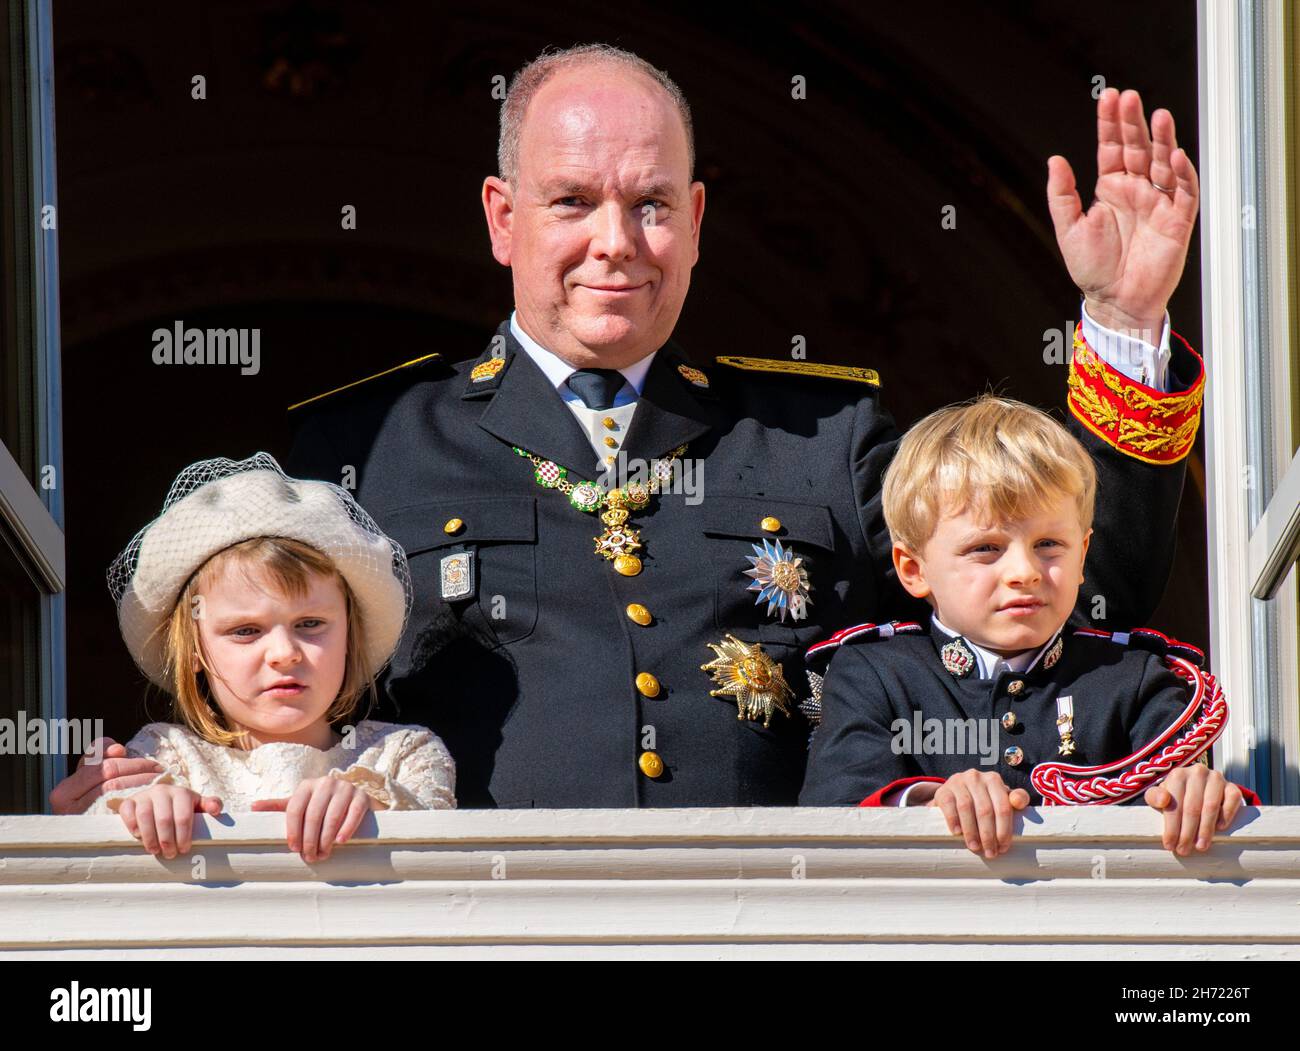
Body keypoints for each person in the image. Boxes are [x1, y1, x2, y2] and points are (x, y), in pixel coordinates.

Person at [54, 44, 1211, 812]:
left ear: (697, 220)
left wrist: (1121, 318)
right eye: (573, 201)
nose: (617, 239)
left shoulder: (825, 435)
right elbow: (273, 707)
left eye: (652, 203)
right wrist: (145, 792)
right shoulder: (365, 445)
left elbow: (1083, 600)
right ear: (503, 219)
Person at [798, 396, 1257, 856]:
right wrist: (926, 800)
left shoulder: (1138, 680)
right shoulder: (871, 674)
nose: (1025, 571)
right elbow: (833, 817)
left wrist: (1198, 797)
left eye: (1049, 544)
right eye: (986, 548)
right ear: (913, 569)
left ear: (1083, 555)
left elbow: (1189, 811)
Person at [82, 453, 455, 860]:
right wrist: (143, 810)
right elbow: (97, 835)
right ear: (193, 652)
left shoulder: (402, 754)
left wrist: (374, 806)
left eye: (310, 624)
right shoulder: (163, 753)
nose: (284, 654)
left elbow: (438, 848)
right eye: (245, 631)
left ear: (350, 636)